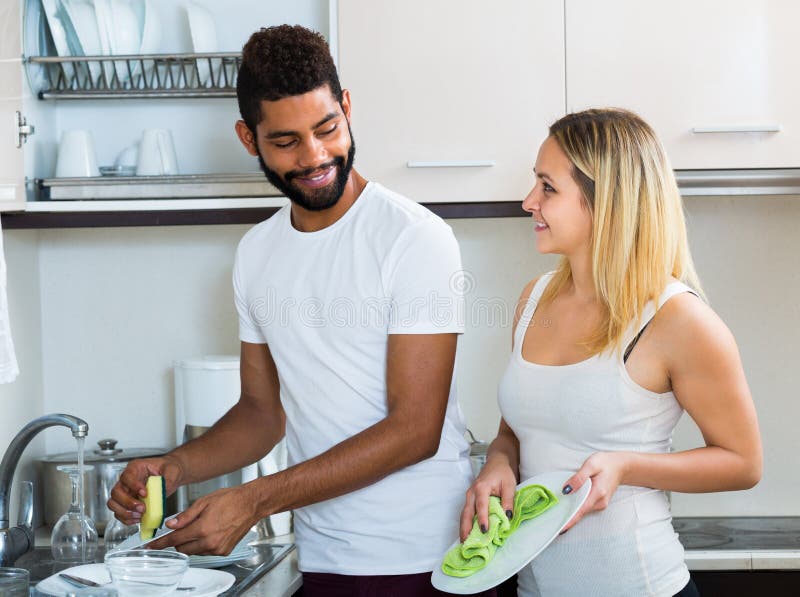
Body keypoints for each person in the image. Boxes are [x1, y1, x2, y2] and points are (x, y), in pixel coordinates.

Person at [109, 25, 494, 597]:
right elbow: (262, 414)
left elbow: (416, 429)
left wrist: (254, 499)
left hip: (425, 557)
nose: (315, 157)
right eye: (286, 141)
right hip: (325, 559)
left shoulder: (414, 239)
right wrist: (175, 468)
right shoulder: (257, 254)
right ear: (249, 138)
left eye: (327, 128)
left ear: (346, 107)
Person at [460, 108, 762, 597]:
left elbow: (744, 462)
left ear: (607, 201)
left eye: (547, 187)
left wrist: (626, 466)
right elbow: (515, 433)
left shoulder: (677, 320)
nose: (528, 201)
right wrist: (499, 462)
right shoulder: (532, 301)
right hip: (535, 587)